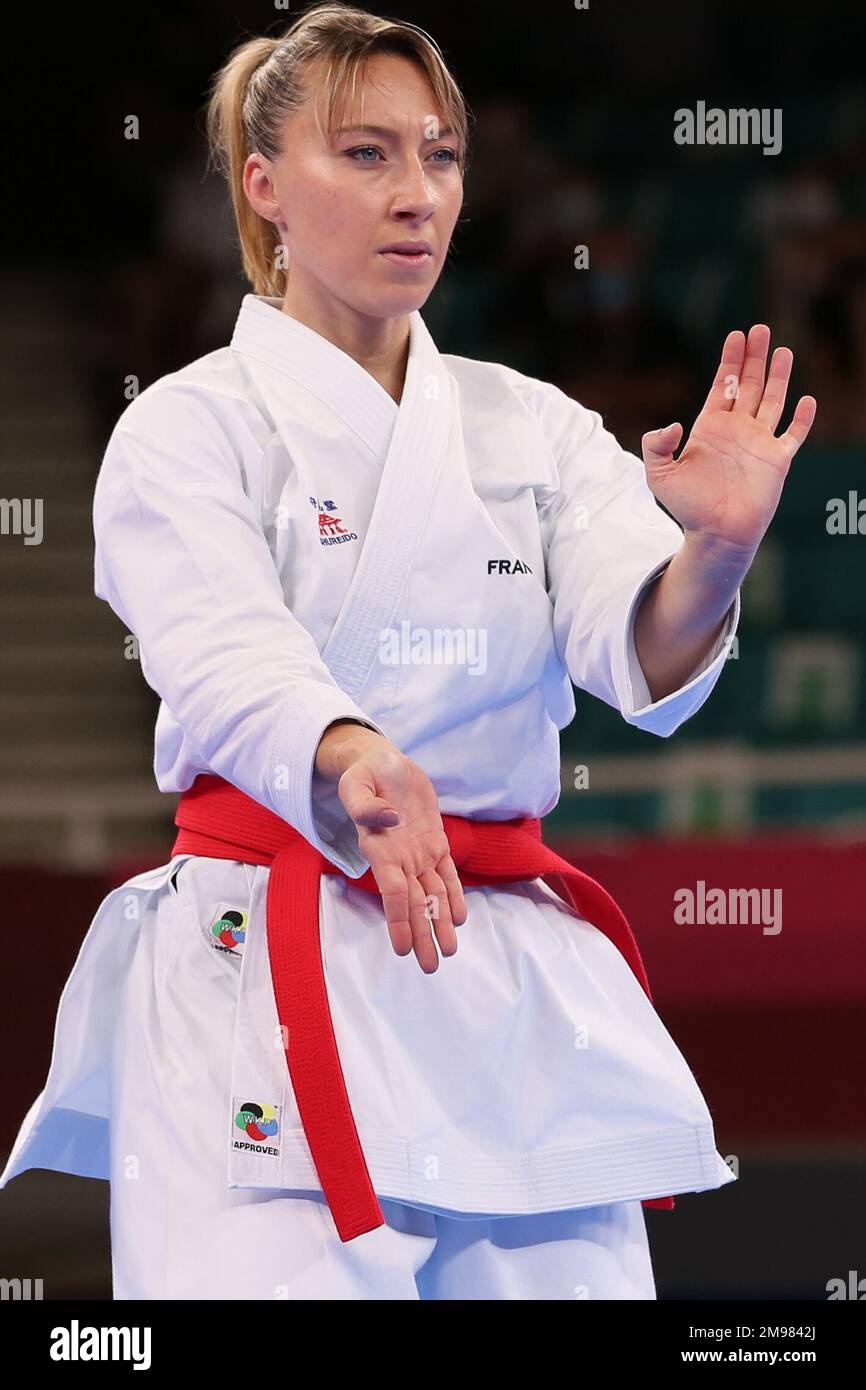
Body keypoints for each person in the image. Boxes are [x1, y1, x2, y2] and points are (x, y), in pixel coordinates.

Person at [0, 3, 815, 1301]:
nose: (416, 192)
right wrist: (351, 757)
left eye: (438, 155)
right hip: (258, 974)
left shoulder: (532, 428)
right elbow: (222, 647)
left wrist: (712, 550)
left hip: (506, 977)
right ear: (262, 186)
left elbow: (639, 651)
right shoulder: (187, 429)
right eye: (365, 154)